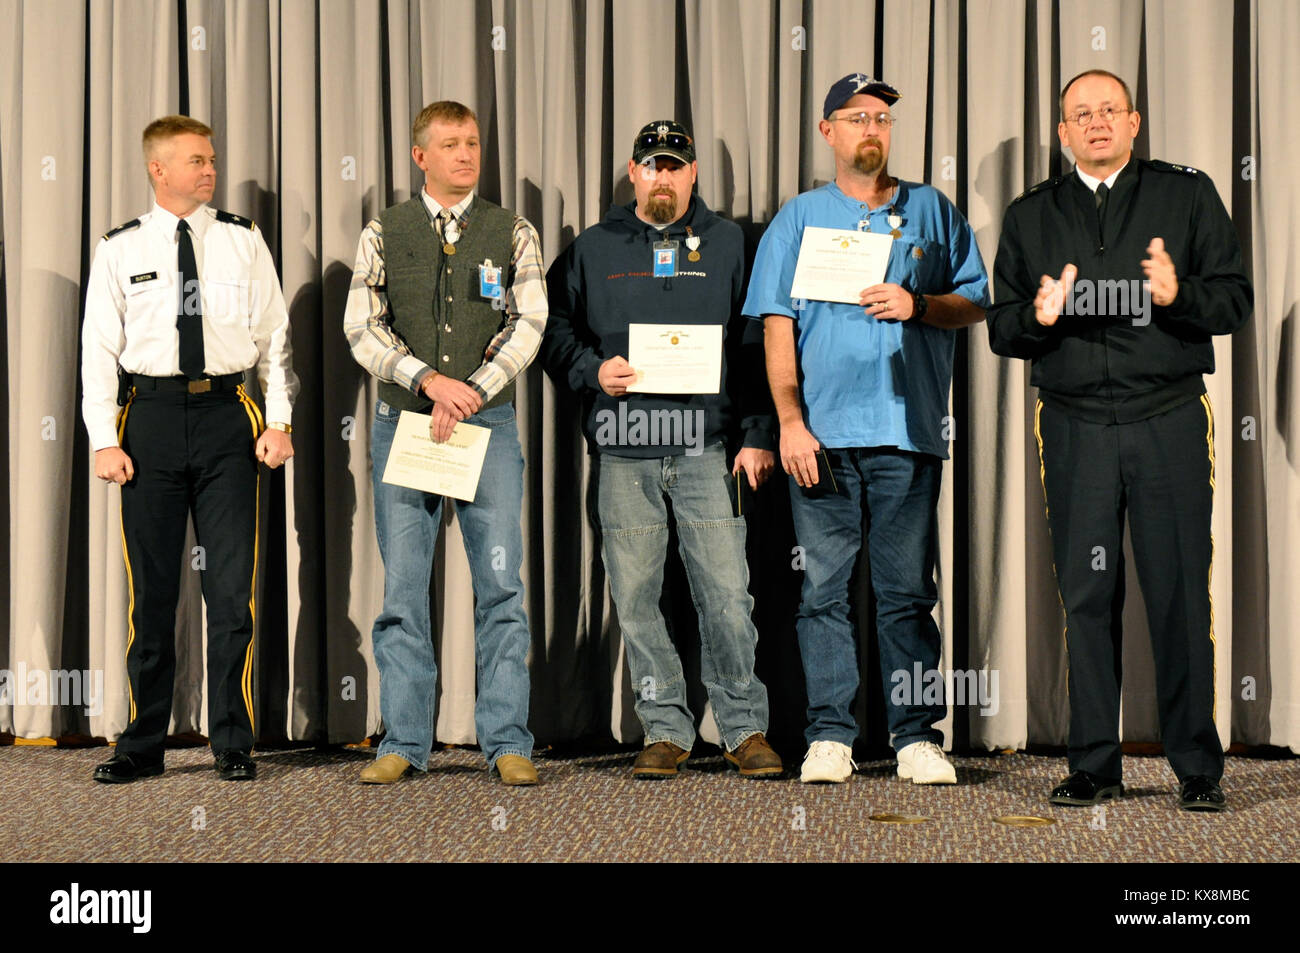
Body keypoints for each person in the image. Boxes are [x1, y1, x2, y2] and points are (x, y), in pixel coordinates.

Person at [987, 69, 1251, 812]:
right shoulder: (1031, 215)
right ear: (1064, 133)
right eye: (1081, 114)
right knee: (1087, 594)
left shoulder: (1187, 194)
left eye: (1110, 110)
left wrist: (1180, 296)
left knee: (1177, 594)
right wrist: (1038, 316)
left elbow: (1233, 300)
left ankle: (1198, 766)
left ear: (1134, 123)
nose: (1097, 123)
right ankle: (1094, 763)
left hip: (1166, 418)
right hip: (1073, 426)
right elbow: (1000, 327)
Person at [744, 74, 989, 784]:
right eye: (856, 118)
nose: (871, 129)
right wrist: (789, 421)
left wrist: (919, 304)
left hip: (906, 434)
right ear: (829, 132)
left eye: (881, 117)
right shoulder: (797, 218)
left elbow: (974, 304)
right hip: (819, 437)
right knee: (821, 591)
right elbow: (776, 328)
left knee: (906, 591)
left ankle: (916, 735)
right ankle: (829, 734)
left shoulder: (932, 211)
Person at [542, 120, 783, 780]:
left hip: (707, 448)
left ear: (694, 173)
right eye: (652, 165)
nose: (663, 177)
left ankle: (743, 725)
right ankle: (666, 726)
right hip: (624, 447)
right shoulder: (592, 247)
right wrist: (593, 370)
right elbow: (549, 329)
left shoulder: (731, 242)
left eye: (675, 166)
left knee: (729, 593)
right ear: (632, 171)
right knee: (637, 595)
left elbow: (755, 344)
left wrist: (758, 433)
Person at [82, 115, 299, 783]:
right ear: (159, 170)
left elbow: (276, 340)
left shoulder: (242, 241)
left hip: (226, 417)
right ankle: (142, 743)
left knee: (232, 592)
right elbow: (98, 350)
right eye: (196, 161)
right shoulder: (119, 248)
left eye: (211, 159)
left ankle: (233, 740)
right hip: (146, 418)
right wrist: (102, 438)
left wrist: (279, 420)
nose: (209, 170)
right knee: (151, 596)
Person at [344, 100, 547, 786]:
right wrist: (429, 380)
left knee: (500, 587)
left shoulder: (512, 230)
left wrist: (474, 391)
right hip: (406, 423)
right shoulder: (385, 231)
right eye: (450, 144)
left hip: (486, 426)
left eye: (473, 142)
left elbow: (529, 322)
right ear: (419, 155)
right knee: (403, 590)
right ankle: (401, 740)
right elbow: (362, 326)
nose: (465, 154)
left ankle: (508, 739)